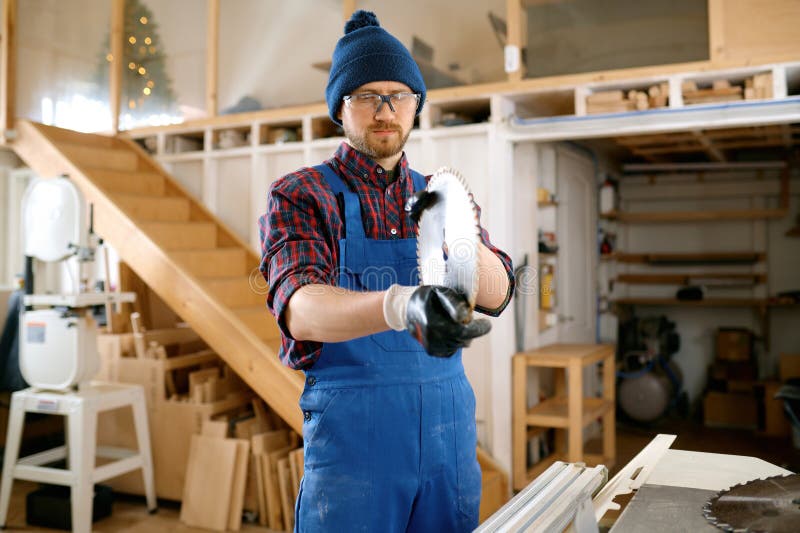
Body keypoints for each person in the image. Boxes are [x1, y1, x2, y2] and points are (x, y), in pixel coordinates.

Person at [259, 10, 513, 532]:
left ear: (416, 105)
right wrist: (400, 304)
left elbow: (497, 292)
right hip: (355, 453)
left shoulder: (440, 195)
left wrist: (461, 240)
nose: (385, 110)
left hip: (449, 446)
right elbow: (300, 307)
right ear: (340, 108)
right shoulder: (303, 194)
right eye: (366, 96)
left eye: (399, 95)